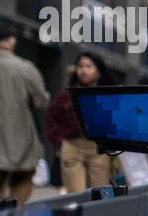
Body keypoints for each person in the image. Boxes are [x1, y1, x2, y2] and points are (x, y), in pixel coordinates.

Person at [0, 24, 48, 204]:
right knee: (24, 178)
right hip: (20, 141)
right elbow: (42, 100)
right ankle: (12, 215)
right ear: (12, 42)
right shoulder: (24, 67)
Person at [45, 50, 113, 193]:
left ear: (98, 72)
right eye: (80, 66)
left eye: (89, 66)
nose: (83, 70)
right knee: (77, 195)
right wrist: (59, 143)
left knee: (101, 194)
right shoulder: (66, 95)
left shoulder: (107, 96)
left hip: (98, 148)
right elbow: (51, 118)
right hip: (71, 146)